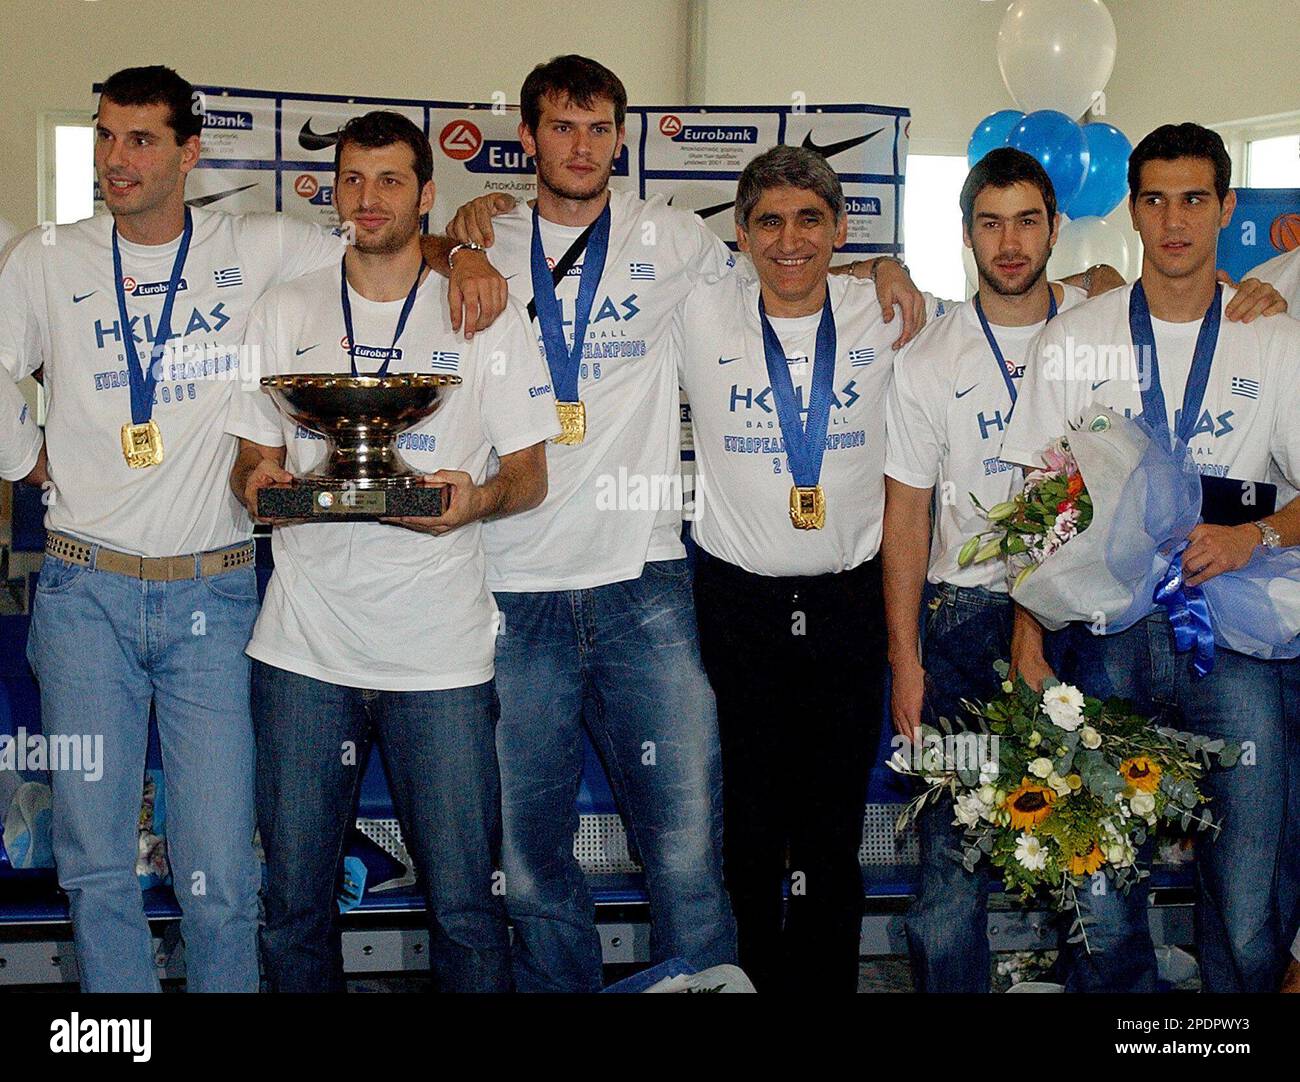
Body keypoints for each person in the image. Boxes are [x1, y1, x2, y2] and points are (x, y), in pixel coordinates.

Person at [0, 65, 504, 992]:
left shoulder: (264, 248)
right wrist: (22, 456)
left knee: (225, 869)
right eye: (106, 136)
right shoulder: (46, 258)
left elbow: (378, 234)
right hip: (85, 590)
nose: (119, 158)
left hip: (215, 589)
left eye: (142, 139)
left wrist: (461, 255)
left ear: (189, 153)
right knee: (95, 858)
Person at [442, 55, 928, 992]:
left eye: (597, 128)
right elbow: (402, 256)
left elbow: (788, 264)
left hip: (648, 579)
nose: (580, 146)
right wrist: (450, 244)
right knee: (535, 856)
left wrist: (886, 262)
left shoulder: (673, 243)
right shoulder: (485, 241)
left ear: (619, 139)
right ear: (529, 139)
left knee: (689, 850)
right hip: (513, 584)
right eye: (560, 127)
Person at [228, 111, 556, 993]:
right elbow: (252, 460)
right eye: (352, 180)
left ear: (425, 195)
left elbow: (529, 474)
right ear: (334, 191)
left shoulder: (483, 314)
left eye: (389, 181)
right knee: (294, 902)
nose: (367, 200)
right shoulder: (284, 309)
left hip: (440, 658)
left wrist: (473, 500)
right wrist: (263, 491)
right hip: (303, 653)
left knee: (464, 906)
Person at [1001, 122, 1300, 994]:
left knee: (1246, 897)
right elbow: (1034, 506)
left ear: (1226, 209)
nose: (1174, 220)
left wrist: (1257, 535)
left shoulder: (1273, 339)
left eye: (1195, 199)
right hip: (1104, 631)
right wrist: (1028, 636)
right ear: (1132, 209)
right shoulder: (1076, 335)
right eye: (1156, 199)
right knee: (1094, 882)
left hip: (1232, 627)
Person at [674, 144, 942, 992]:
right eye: (770, 223)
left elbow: (1027, 304)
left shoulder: (892, 312)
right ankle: (750, 981)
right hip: (734, 603)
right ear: (744, 237)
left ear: (841, 229)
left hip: (848, 604)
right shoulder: (698, 304)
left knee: (831, 829)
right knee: (748, 826)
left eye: (810, 221)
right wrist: (456, 241)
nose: (790, 241)